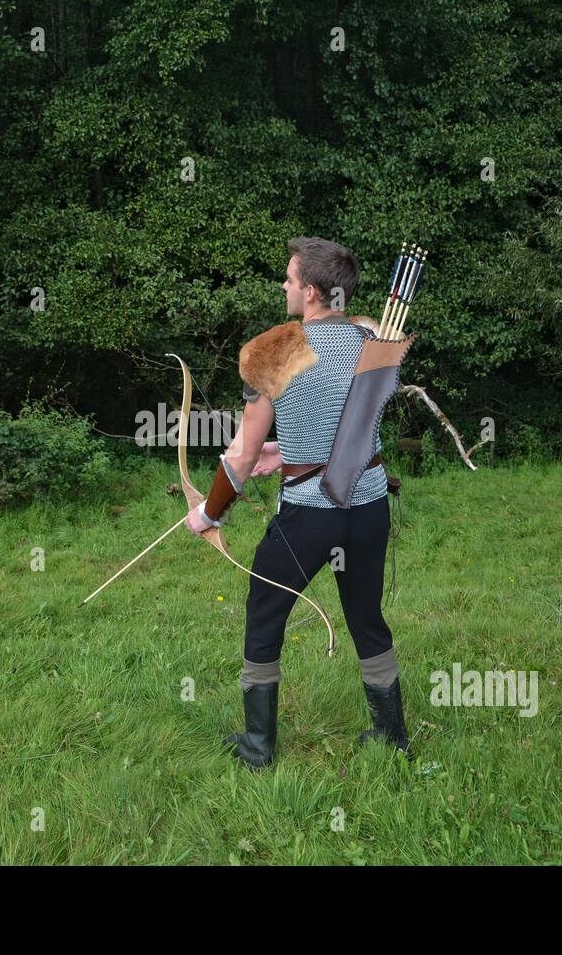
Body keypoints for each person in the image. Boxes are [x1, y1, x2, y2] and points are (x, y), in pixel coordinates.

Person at [184, 236, 413, 769]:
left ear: (310, 292)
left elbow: (238, 457)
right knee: (366, 617)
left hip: (311, 514)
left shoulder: (277, 349)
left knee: (265, 613)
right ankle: (392, 736)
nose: (284, 286)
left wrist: (208, 512)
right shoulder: (376, 338)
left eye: (289, 279)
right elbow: (350, 427)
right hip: (369, 508)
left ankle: (258, 748)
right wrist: (284, 449)